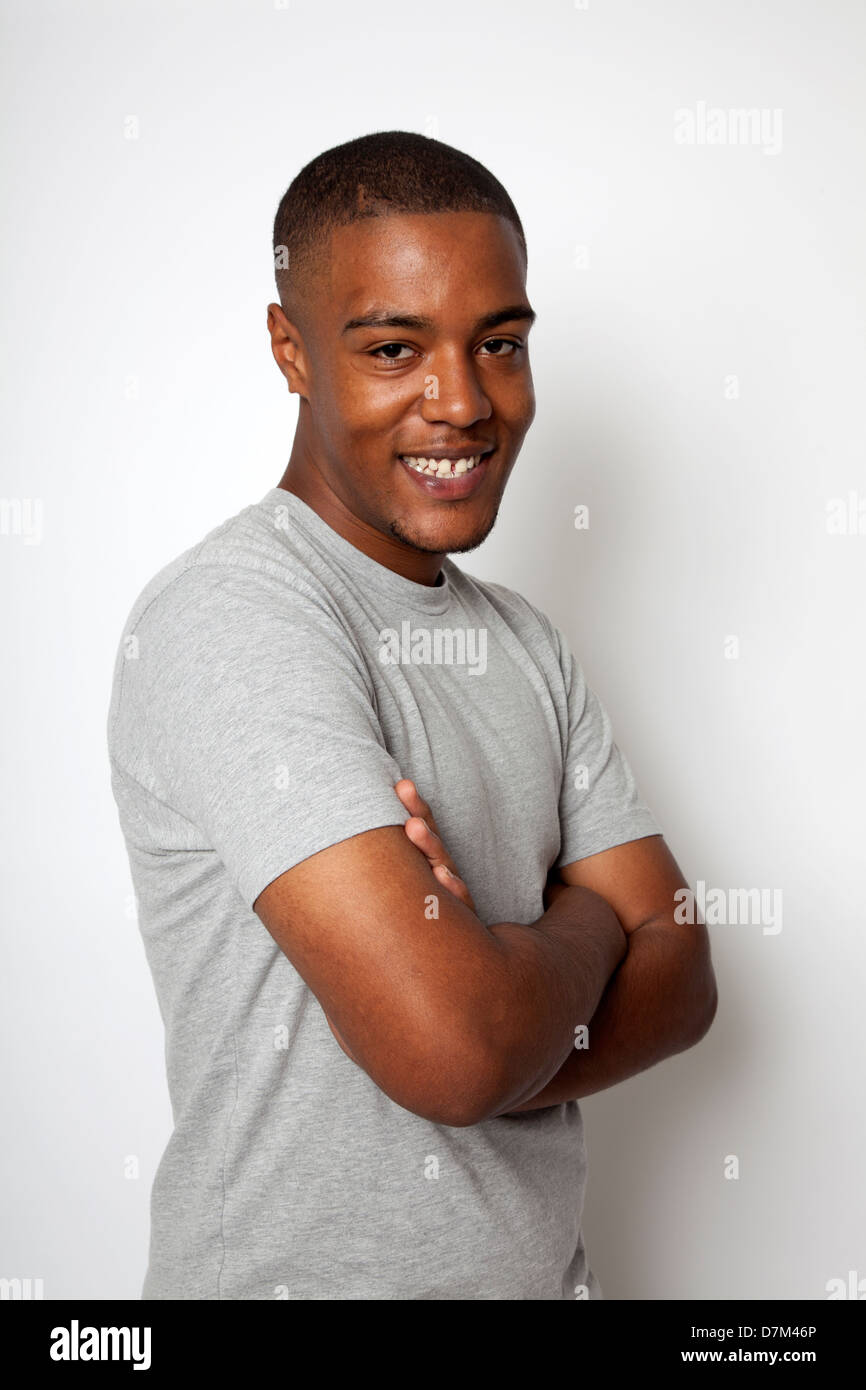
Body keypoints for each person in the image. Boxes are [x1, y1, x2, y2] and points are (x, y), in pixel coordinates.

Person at [106, 130, 717, 1301]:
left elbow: (684, 978)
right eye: (394, 348)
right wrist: (587, 926)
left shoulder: (526, 641)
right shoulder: (235, 617)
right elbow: (453, 1050)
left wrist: (498, 990)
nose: (464, 403)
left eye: (499, 345)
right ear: (291, 350)